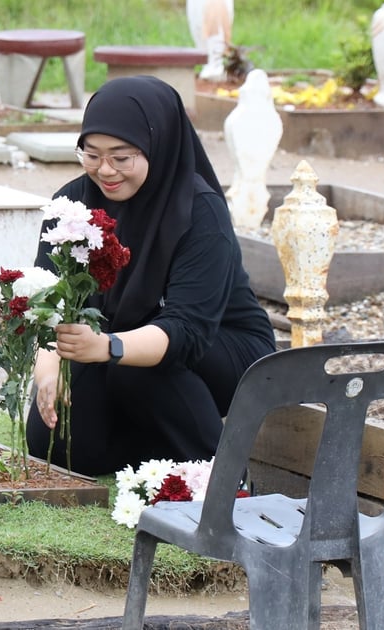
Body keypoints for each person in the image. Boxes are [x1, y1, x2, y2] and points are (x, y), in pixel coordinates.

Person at [27, 75, 276, 476]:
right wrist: (48, 372)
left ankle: (217, 470)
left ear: (156, 147)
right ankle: (152, 454)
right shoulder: (70, 205)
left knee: (135, 372)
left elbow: (187, 328)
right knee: (54, 443)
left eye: (121, 158)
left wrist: (107, 347)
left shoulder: (199, 211)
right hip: (116, 341)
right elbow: (46, 305)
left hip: (222, 349)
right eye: (91, 155)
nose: (105, 170)